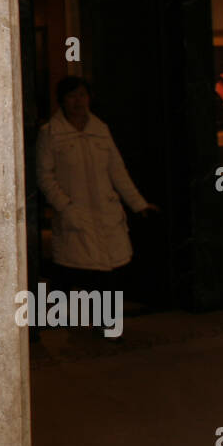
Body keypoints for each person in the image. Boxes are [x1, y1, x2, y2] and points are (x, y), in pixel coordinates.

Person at [36, 77, 158, 334]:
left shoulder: (100, 130)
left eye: (82, 95)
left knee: (108, 273)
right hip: (75, 215)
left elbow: (117, 171)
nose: (78, 101)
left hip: (105, 214)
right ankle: (56, 317)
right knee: (77, 271)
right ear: (62, 101)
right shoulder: (51, 134)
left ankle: (108, 324)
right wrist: (65, 207)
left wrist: (138, 203)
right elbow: (45, 176)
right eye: (72, 96)